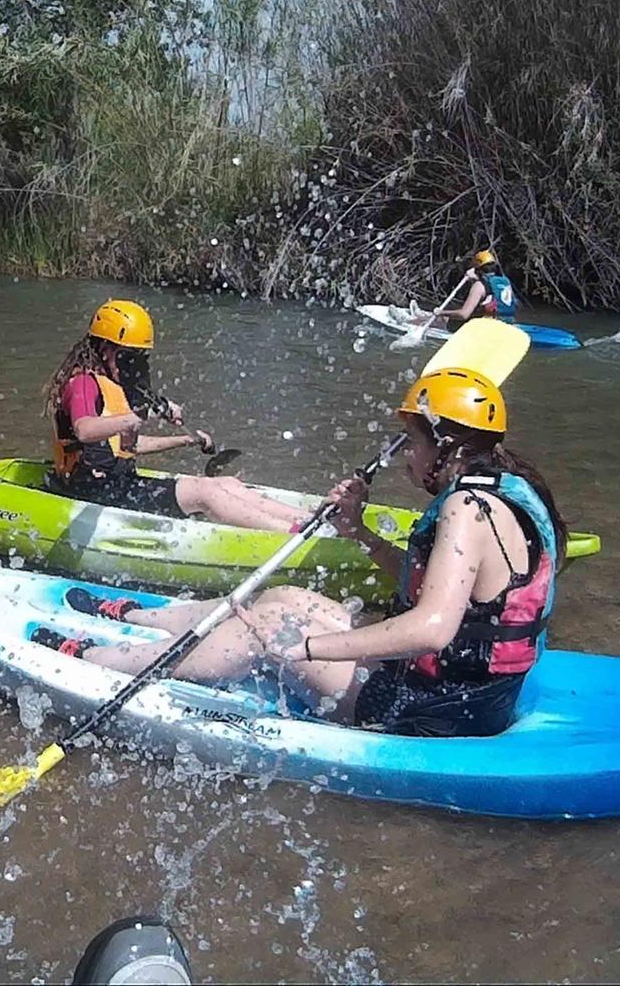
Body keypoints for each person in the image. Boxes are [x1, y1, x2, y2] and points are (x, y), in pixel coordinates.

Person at [40, 366, 567, 738]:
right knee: (288, 595)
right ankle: (142, 614)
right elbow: (433, 582)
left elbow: (431, 628)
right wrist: (358, 531)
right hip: (463, 689)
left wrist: (306, 649)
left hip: (440, 708)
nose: (407, 455)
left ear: (446, 447)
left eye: (412, 441)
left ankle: (99, 659)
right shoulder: (500, 489)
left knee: (269, 629)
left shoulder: (465, 509)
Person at [46, 300, 317, 534]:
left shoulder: (112, 385)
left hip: (121, 485)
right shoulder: (82, 382)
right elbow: (84, 430)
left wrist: (186, 440)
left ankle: (309, 520)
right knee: (205, 493)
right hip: (93, 491)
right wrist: (137, 416)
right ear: (105, 348)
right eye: (128, 357)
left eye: (139, 358)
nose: (134, 366)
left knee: (227, 483)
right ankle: (293, 537)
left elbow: (128, 448)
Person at [446, 249, 517, 324]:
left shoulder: (479, 285)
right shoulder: (505, 281)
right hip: (509, 323)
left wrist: (440, 313)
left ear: (477, 269)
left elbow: (464, 315)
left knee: (444, 319)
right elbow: (489, 285)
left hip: (489, 325)